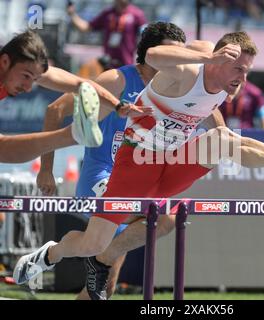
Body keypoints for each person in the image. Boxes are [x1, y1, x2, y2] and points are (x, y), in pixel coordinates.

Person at [13, 31, 264, 300]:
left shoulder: (224, 87)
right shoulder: (190, 68)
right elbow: (153, 55)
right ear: (221, 59)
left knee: (221, 142)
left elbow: (216, 124)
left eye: (248, 71)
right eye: (239, 68)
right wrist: (208, 56)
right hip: (136, 161)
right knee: (91, 243)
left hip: (172, 162)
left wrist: (225, 140)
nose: (243, 78)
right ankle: (50, 255)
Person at [37, 21, 189, 299]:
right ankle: (57, 252)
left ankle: (85, 256)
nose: (176, 62)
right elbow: (54, 110)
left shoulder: (175, 89)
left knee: (104, 287)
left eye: (181, 56)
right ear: (150, 54)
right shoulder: (117, 81)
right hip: (100, 175)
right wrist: (46, 169)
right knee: (163, 218)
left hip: (135, 180)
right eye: (170, 54)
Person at [0, 29, 151, 163]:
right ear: (5, 61)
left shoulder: (22, 68)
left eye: (33, 80)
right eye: (26, 76)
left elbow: (80, 84)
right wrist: (70, 136)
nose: (27, 89)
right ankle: (73, 135)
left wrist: (117, 106)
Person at [67, 0, 147, 68]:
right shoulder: (107, 13)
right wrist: (72, 15)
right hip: (108, 62)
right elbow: (86, 27)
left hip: (126, 62)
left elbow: (146, 34)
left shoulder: (137, 14)